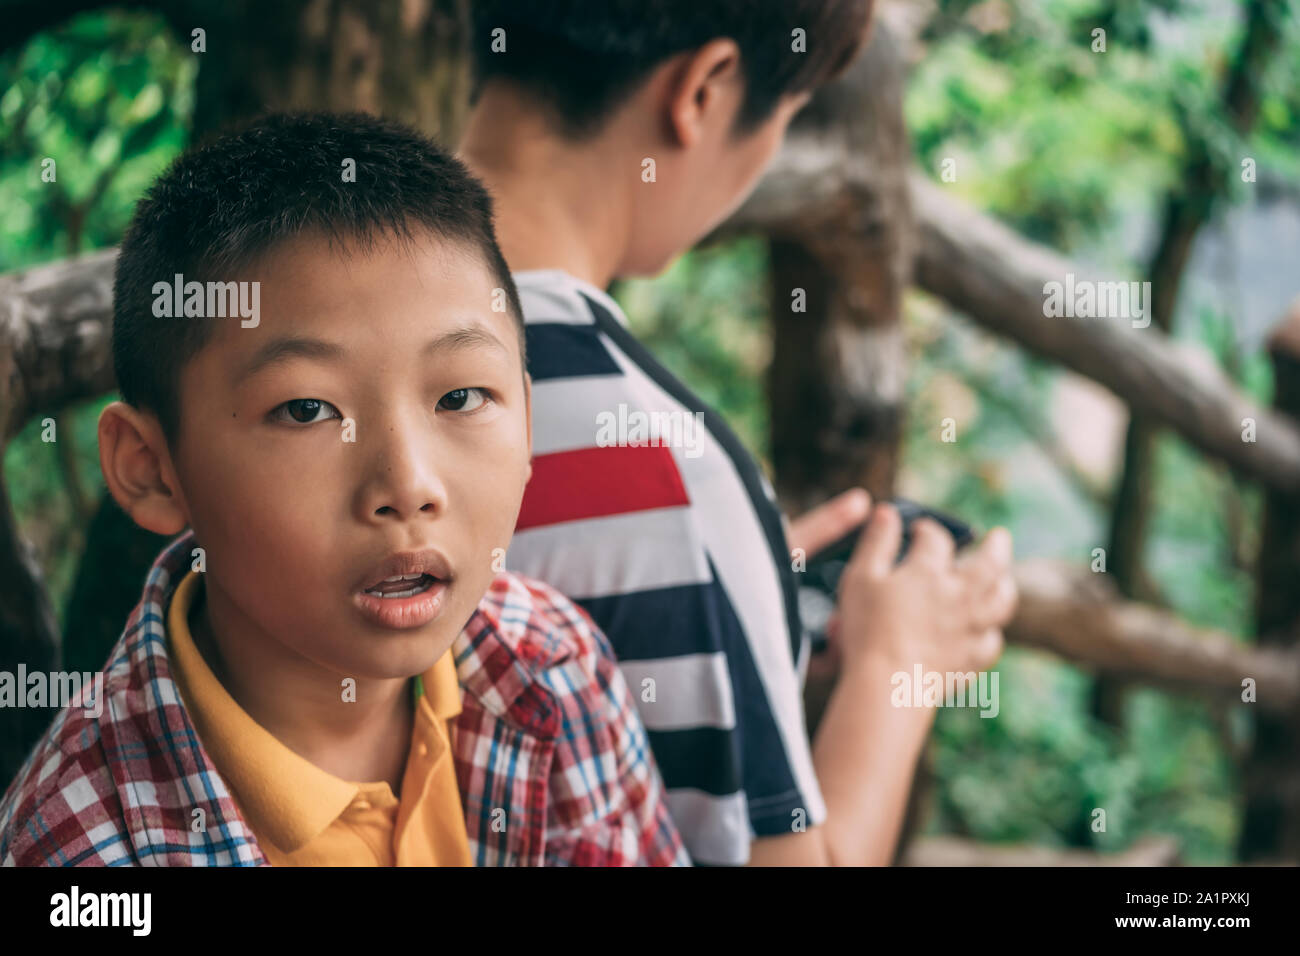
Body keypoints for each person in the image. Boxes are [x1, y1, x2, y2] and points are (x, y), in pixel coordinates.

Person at [0, 112, 687, 867]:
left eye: (460, 398)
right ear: (151, 468)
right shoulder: (80, 851)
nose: (408, 486)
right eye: (306, 410)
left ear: (527, 419)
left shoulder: (555, 670)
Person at [458, 1, 1019, 865]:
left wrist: (731, 609)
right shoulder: (670, 476)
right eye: (789, 115)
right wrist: (897, 668)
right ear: (705, 90)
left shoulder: (288, 334)